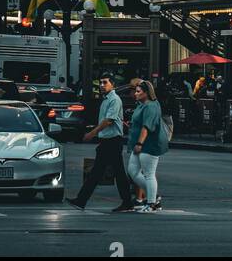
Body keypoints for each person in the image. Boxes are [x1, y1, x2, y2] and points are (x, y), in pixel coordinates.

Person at [67, 73, 132, 212]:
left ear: (112, 84)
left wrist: (92, 133)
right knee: (107, 172)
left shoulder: (114, 99)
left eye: (105, 83)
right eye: (101, 83)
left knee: (102, 173)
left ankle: (81, 201)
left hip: (112, 141)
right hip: (107, 141)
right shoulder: (106, 99)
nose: (102, 86)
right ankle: (126, 201)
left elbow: (109, 120)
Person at [127, 79, 168, 212]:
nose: (135, 94)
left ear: (146, 93)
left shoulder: (151, 106)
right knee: (133, 171)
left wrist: (140, 143)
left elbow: (147, 127)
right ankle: (153, 196)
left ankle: (151, 203)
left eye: (138, 92)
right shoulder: (141, 104)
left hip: (149, 144)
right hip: (139, 144)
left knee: (149, 174)